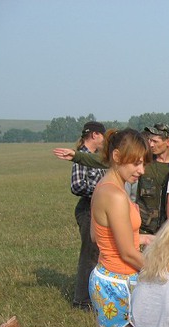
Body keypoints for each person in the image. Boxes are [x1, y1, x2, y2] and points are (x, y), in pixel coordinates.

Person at [89, 128, 153, 327]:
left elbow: (98, 235)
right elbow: (127, 252)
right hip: (119, 283)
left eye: (143, 162)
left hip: (111, 277)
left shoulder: (108, 188)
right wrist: (163, 272)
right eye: (135, 162)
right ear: (116, 157)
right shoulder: (114, 194)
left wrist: (141, 237)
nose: (140, 169)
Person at [55, 123, 169, 235]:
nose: (151, 144)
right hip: (144, 227)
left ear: (168, 142)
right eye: (150, 140)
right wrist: (77, 156)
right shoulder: (142, 161)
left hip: (168, 226)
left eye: (155, 141)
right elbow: (105, 161)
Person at [69, 121, 106, 310]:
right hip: (88, 209)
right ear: (94, 135)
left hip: (98, 208)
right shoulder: (83, 155)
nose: (104, 141)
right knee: (89, 254)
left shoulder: (95, 157)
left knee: (97, 254)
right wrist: (100, 190)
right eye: (103, 136)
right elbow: (76, 185)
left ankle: (94, 295)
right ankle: (82, 300)